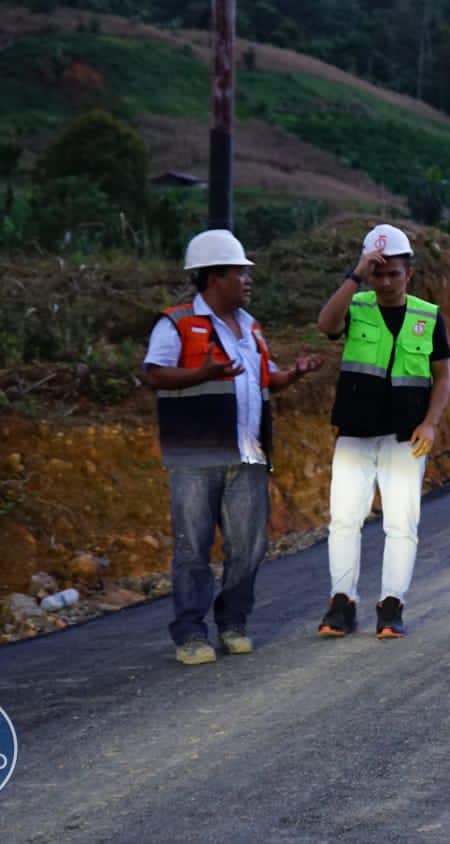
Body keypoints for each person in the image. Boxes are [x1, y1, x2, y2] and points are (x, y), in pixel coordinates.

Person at [143, 229, 321, 665]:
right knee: (193, 547)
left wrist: (294, 374)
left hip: (248, 453)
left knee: (249, 545)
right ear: (213, 277)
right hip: (196, 454)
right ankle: (189, 633)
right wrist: (201, 373)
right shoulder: (177, 323)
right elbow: (154, 374)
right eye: (239, 271)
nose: (247, 279)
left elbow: (267, 379)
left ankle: (233, 622)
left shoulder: (250, 327)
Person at [315, 224, 450, 639]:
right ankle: (342, 602)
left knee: (401, 524)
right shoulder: (355, 306)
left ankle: (391, 604)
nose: (387, 281)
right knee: (343, 521)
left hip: (405, 436)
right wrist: (356, 272)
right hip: (355, 434)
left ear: (408, 274)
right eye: (379, 273)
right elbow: (326, 324)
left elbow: (443, 376)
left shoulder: (428, 316)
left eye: (394, 273)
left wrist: (430, 422)